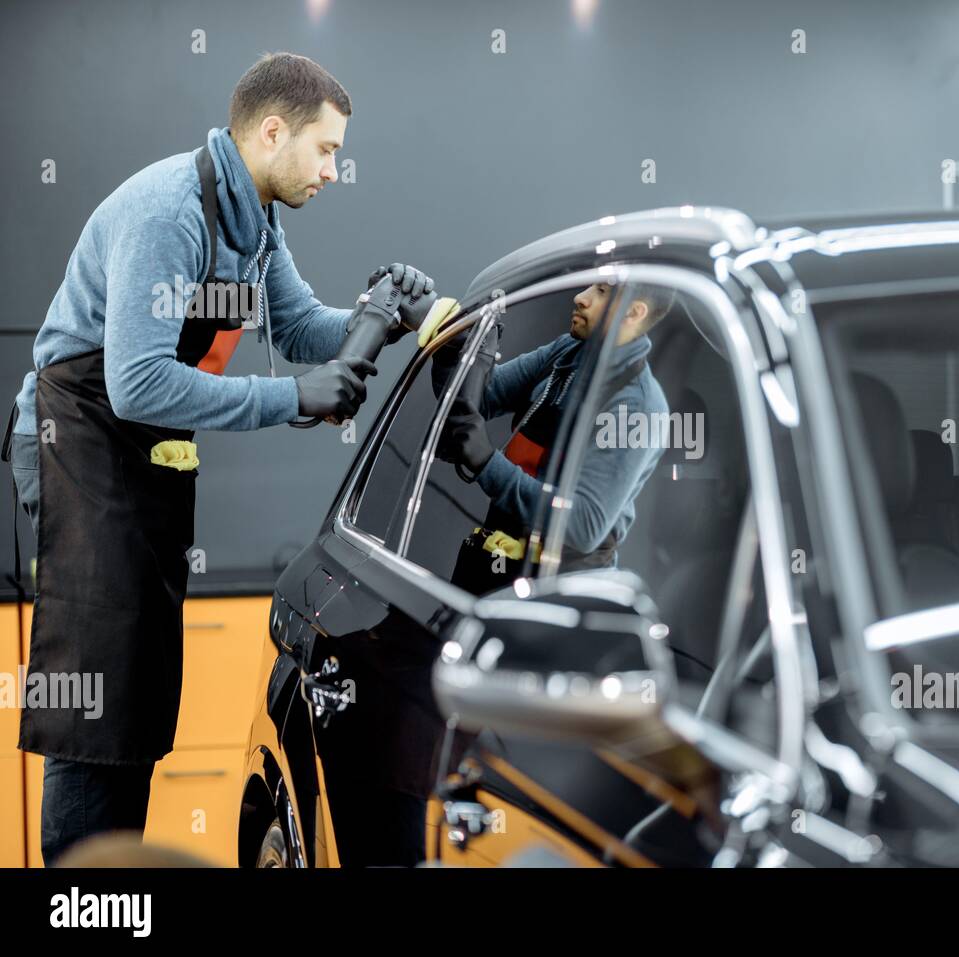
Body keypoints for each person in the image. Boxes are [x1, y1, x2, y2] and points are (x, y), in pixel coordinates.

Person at [0, 51, 434, 865]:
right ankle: (80, 899)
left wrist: (385, 315)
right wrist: (291, 399)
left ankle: (112, 879)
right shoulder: (174, 213)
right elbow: (134, 382)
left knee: (140, 689)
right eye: (326, 149)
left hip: (138, 455)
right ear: (272, 132)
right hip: (82, 438)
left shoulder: (256, 223)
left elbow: (302, 328)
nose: (334, 170)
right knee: (101, 699)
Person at [439, 282, 673, 592]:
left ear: (634, 311)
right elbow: (477, 401)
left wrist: (486, 463)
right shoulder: (567, 352)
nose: (581, 297)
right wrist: (451, 349)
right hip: (497, 567)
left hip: (556, 598)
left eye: (601, 291)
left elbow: (582, 525)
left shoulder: (636, 405)